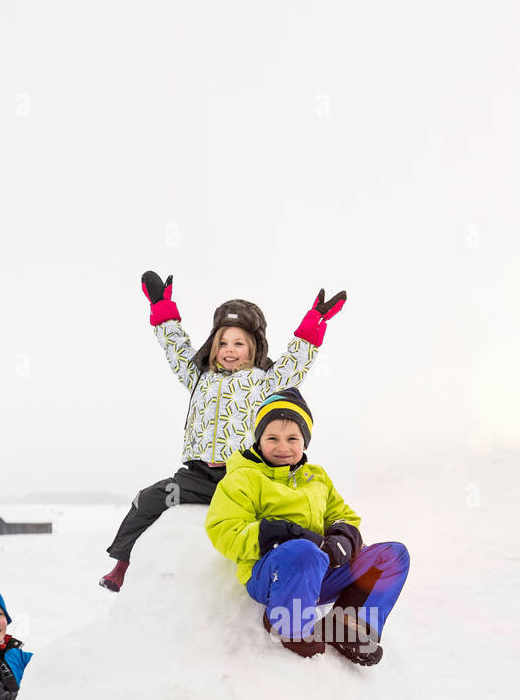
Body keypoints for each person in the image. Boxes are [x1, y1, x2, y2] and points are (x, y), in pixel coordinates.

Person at [100, 276, 347, 591]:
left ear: (253, 346)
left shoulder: (264, 380)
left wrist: (315, 322)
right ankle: (123, 564)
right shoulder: (199, 377)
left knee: (276, 517)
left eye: (238, 343)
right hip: (199, 476)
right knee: (147, 500)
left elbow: (294, 365)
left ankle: (305, 566)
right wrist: (162, 310)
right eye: (223, 343)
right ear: (214, 346)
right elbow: (176, 351)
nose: (230, 351)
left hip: (243, 476)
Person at [205, 389, 410, 665]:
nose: (283, 447)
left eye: (292, 439)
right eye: (272, 438)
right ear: (259, 439)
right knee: (303, 552)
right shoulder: (243, 479)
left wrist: (343, 538)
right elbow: (224, 529)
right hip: (271, 576)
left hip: (318, 573)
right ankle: (288, 624)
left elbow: (344, 515)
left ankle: (349, 626)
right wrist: (277, 535)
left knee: (393, 556)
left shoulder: (317, 478)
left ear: (305, 441)